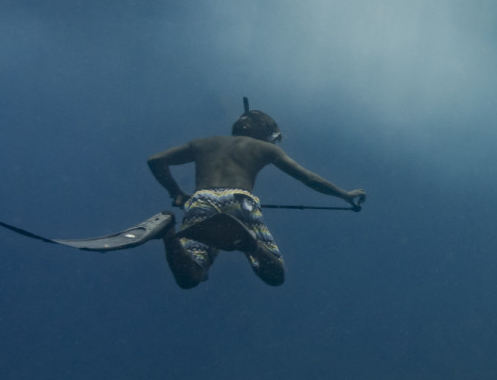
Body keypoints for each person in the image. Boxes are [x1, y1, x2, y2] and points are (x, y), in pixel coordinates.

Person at [146, 102, 366, 289]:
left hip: (201, 200)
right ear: (265, 133)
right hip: (241, 200)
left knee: (190, 277)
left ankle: (167, 230)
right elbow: (308, 178)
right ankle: (251, 246)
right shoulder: (265, 148)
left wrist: (176, 193)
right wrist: (344, 195)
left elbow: (156, 161)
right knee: (275, 275)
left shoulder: (203, 144)